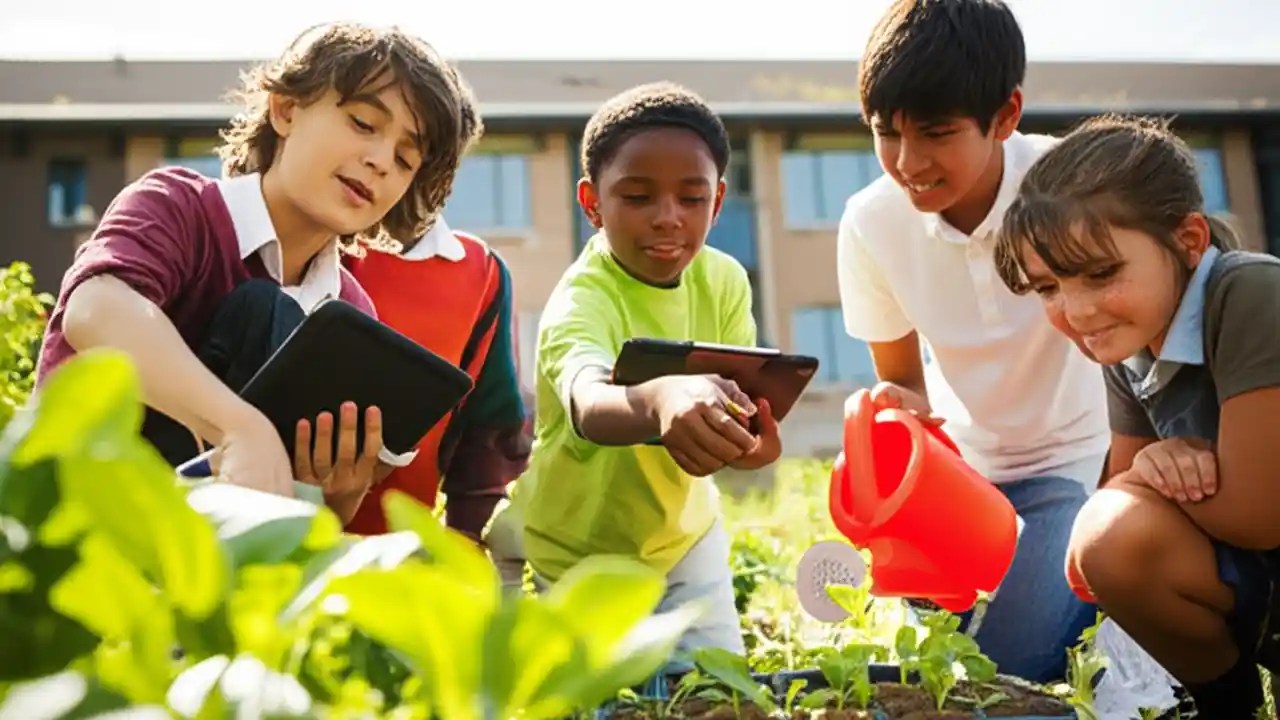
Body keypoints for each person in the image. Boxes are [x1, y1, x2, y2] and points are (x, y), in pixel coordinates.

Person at [35, 22, 477, 524]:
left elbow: (313, 511)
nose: (379, 161)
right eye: (362, 123)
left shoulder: (351, 314)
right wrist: (239, 426)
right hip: (75, 522)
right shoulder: (177, 206)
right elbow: (94, 309)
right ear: (286, 110)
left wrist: (337, 493)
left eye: (404, 159)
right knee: (263, 309)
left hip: (215, 550)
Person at [836, 0, 1103, 681]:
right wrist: (896, 407)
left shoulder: (1077, 185)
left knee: (1012, 663)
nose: (907, 162)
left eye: (936, 133)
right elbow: (904, 383)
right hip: (963, 481)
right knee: (935, 669)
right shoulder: (870, 222)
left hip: (1080, 464)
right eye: (886, 133)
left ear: (1005, 116)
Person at [994, 113, 1280, 719]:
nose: (1076, 311)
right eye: (1048, 287)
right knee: (1110, 541)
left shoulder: (1251, 295)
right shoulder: (1130, 341)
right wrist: (1146, 470)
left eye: (1101, 274)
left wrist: (1147, 476)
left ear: (1189, 240)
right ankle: (1228, 704)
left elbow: (1258, 515)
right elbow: (1109, 517)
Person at [506, 82, 782, 653]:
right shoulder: (582, 300)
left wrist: (749, 443)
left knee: (719, 689)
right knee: (592, 693)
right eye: (637, 197)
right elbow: (589, 403)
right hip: (578, 553)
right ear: (592, 203)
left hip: (684, 539)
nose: (667, 218)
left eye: (691, 198)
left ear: (718, 201)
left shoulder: (725, 280)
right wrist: (660, 399)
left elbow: (744, 413)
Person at [344, 215, 532, 541]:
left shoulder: (481, 270)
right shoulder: (313, 244)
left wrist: (466, 548)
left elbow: (486, 440)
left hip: (399, 551)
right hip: (276, 538)